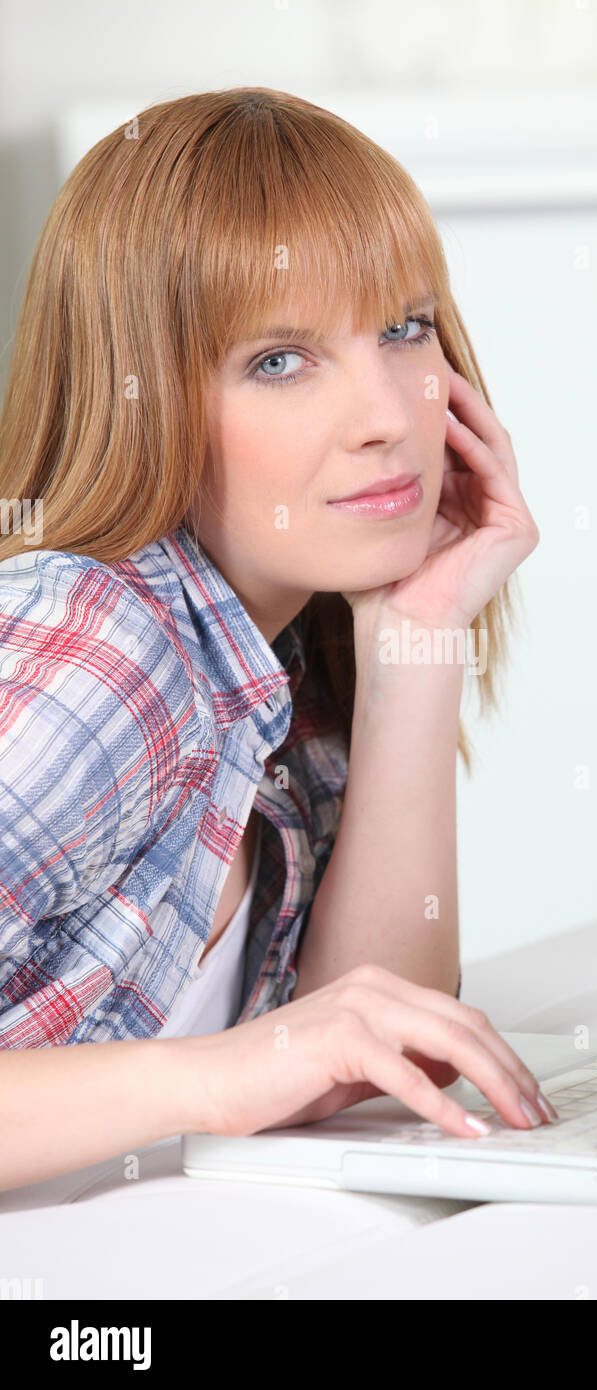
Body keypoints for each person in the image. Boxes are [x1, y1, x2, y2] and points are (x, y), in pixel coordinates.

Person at [0, 87, 554, 1193]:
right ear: (143, 400)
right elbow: (272, 1066)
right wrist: (216, 1075)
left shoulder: (282, 662)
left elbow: (363, 1048)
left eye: (403, 329)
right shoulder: (97, 654)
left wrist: (418, 639)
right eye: (278, 361)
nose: (388, 415)